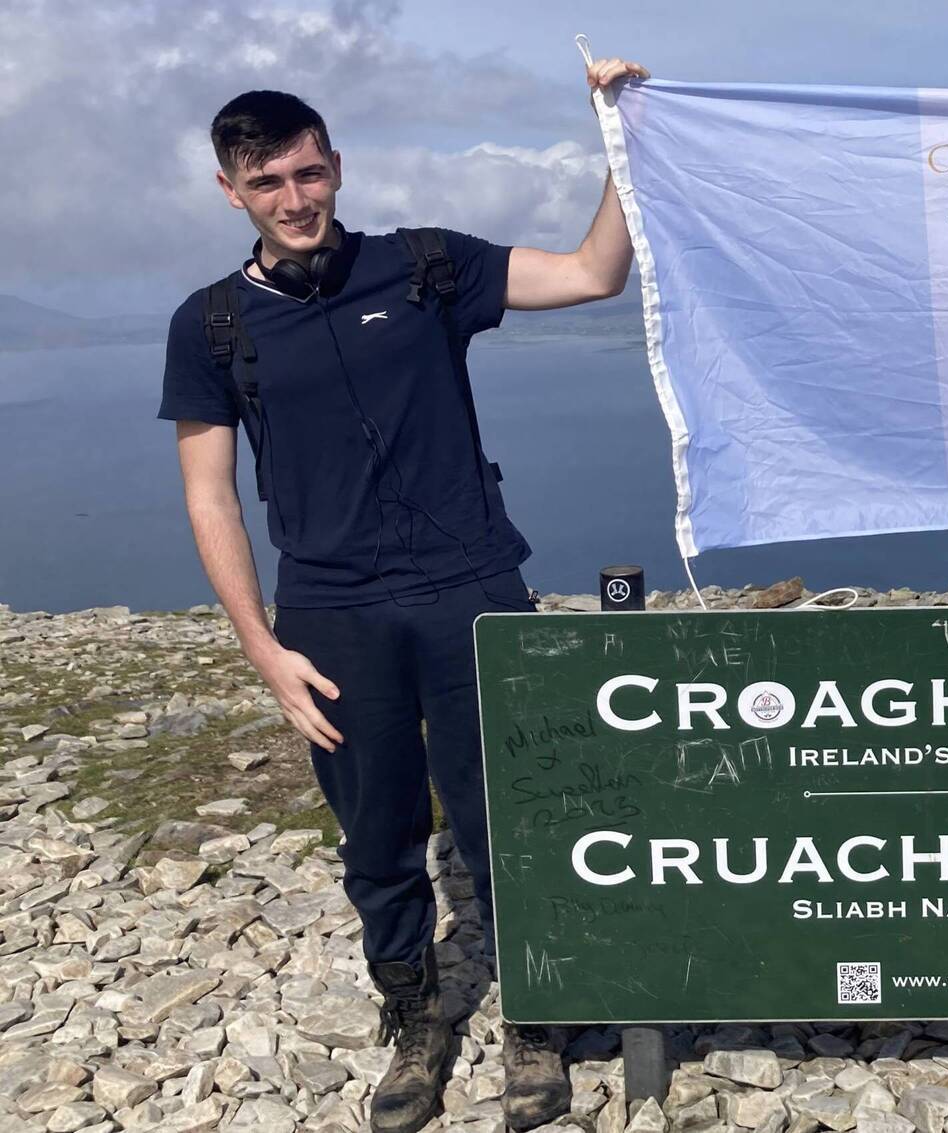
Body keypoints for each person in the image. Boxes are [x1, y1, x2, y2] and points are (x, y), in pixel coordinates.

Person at [159, 56, 651, 1133]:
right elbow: (209, 495)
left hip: (471, 588)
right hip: (329, 612)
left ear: (335, 165)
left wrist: (616, 132)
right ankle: (414, 1015)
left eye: (307, 173)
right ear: (230, 192)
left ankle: (537, 1011)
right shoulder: (212, 325)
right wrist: (261, 646)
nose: (294, 199)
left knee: (514, 816)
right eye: (266, 182)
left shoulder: (426, 266)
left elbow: (592, 274)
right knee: (376, 834)